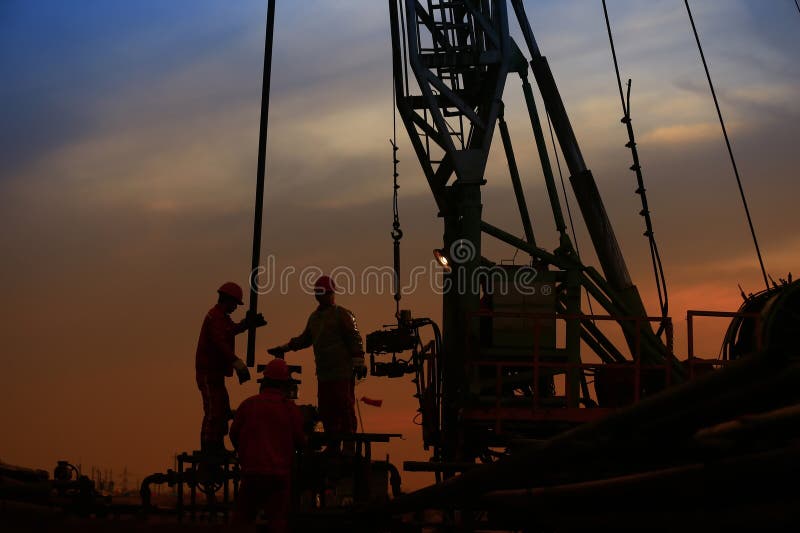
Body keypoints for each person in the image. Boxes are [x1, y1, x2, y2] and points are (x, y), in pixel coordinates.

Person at [268, 275, 367, 454]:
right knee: (327, 410)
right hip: (324, 374)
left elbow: (354, 338)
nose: (325, 296)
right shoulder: (315, 318)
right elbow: (305, 339)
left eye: (327, 293)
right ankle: (333, 446)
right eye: (322, 293)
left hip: (342, 373)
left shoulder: (342, 314)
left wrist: (358, 360)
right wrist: (286, 347)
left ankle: (349, 447)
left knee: (344, 408)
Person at [230, 358, 306, 531]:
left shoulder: (248, 405)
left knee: (242, 520)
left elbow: (233, 434)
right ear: (285, 384)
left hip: (252, 474)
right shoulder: (290, 409)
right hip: (278, 477)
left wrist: (245, 454)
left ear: (264, 381)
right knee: (277, 521)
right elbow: (300, 441)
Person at [195, 281, 266, 453]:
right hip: (208, 373)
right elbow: (220, 342)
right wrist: (236, 362)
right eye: (235, 304)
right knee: (213, 411)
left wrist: (246, 324)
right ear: (227, 300)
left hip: (215, 373)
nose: (235, 307)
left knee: (222, 410)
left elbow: (229, 330)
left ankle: (216, 445)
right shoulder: (215, 317)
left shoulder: (221, 318)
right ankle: (209, 448)